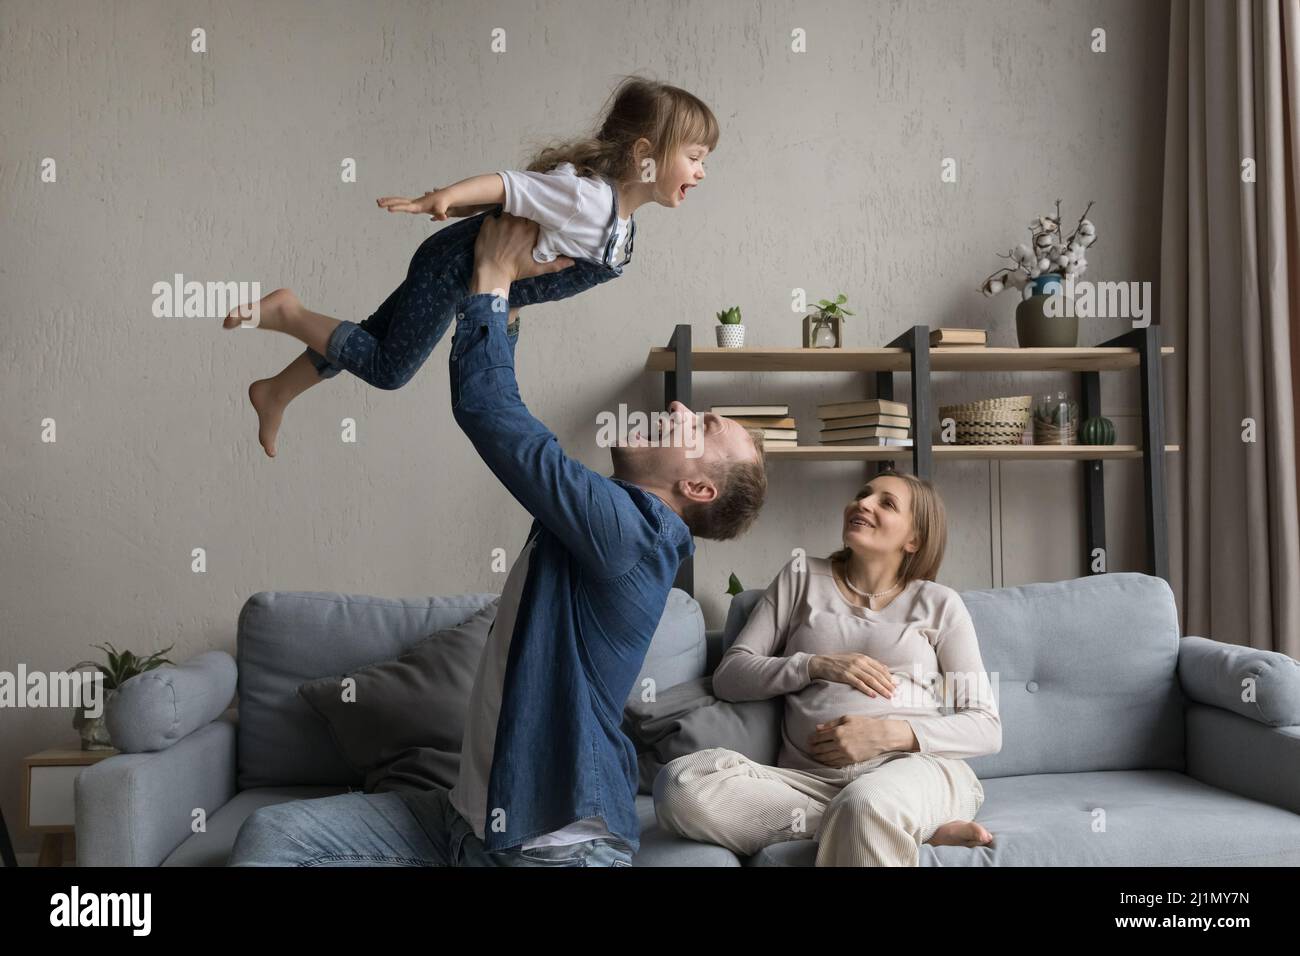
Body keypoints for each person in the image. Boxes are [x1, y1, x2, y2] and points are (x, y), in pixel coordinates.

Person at [227, 210, 768, 867]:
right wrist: (511, 294)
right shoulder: (604, 519)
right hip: (468, 821)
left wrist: (490, 283)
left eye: (704, 426)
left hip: (556, 847)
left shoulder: (635, 533)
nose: (680, 409)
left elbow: (493, 414)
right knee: (273, 836)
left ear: (700, 491)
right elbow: (503, 403)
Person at [220, 75, 715, 457]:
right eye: (694, 157)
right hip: (451, 270)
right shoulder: (586, 199)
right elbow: (508, 185)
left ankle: (277, 391)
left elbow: (533, 269)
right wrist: (445, 197)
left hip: (475, 283)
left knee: (372, 337)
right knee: (390, 368)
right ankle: (287, 312)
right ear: (646, 154)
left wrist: (507, 320)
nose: (701, 171)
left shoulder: (622, 229)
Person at [654, 471, 1002, 866]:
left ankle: (883, 817)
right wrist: (814, 665)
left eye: (886, 503)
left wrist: (891, 734)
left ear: (914, 540)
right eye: (863, 494)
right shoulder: (801, 577)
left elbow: (986, 726)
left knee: (868, 801)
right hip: (806, 785)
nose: (863, 504)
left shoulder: (940, 604)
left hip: (914, 772)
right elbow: (730, 676)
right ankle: (902, 826)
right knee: (682, 784)